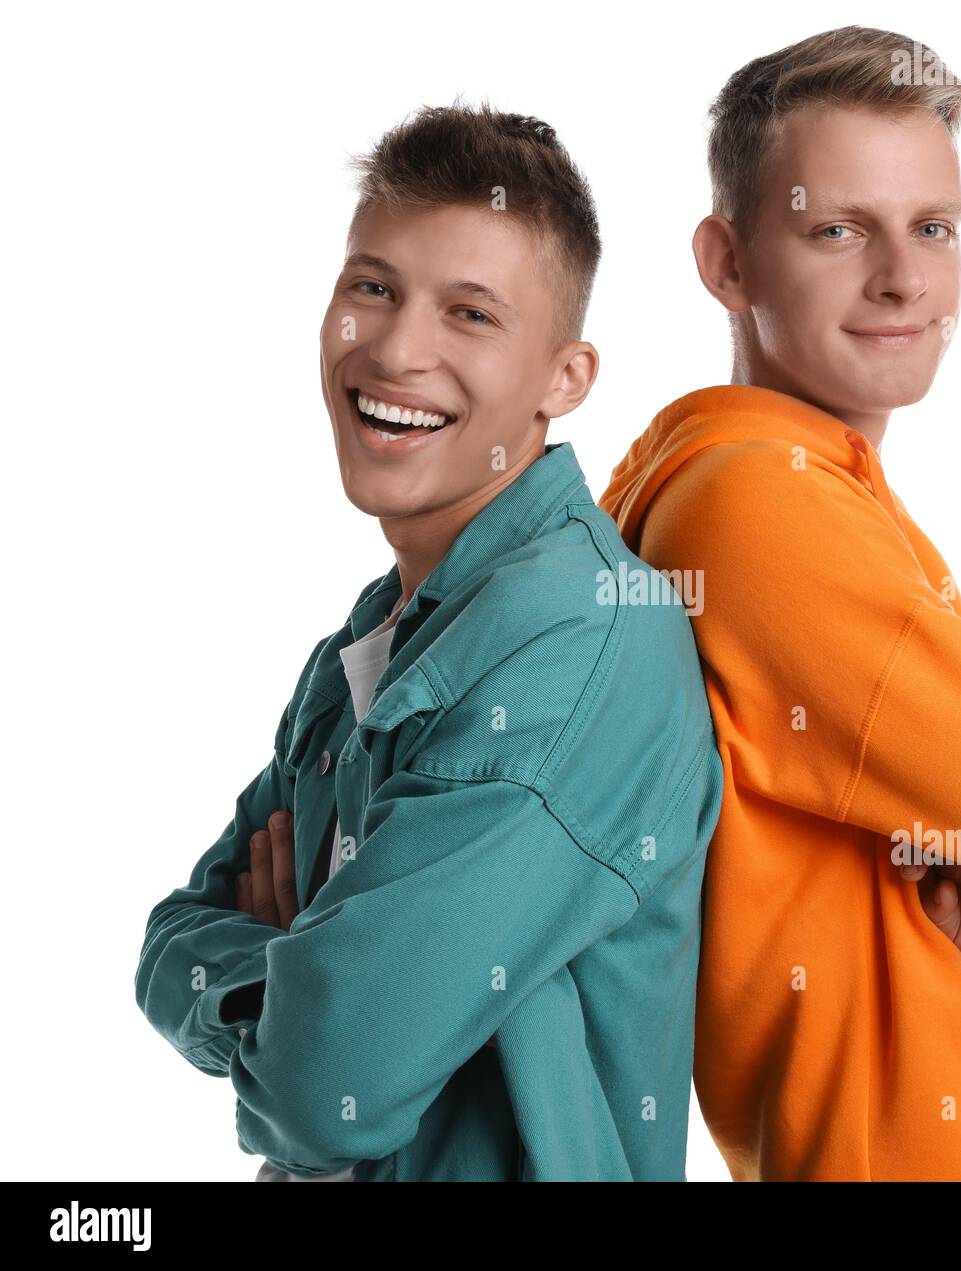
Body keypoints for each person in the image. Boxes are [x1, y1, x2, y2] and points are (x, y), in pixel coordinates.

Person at [599, 26, 961, 1181]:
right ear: (727, 262)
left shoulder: (811, 487)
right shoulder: (759, 505)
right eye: (837, 229)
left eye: (933, 228)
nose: (903, 277)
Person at [135, 103, 723, 1182]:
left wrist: (286, 978)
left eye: (470, 313)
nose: (397, 349)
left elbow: (326, 1087)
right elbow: (169, 935)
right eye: (373, 288)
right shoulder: (378, 633)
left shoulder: (578, 641)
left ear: (565, 378)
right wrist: (300, 975)